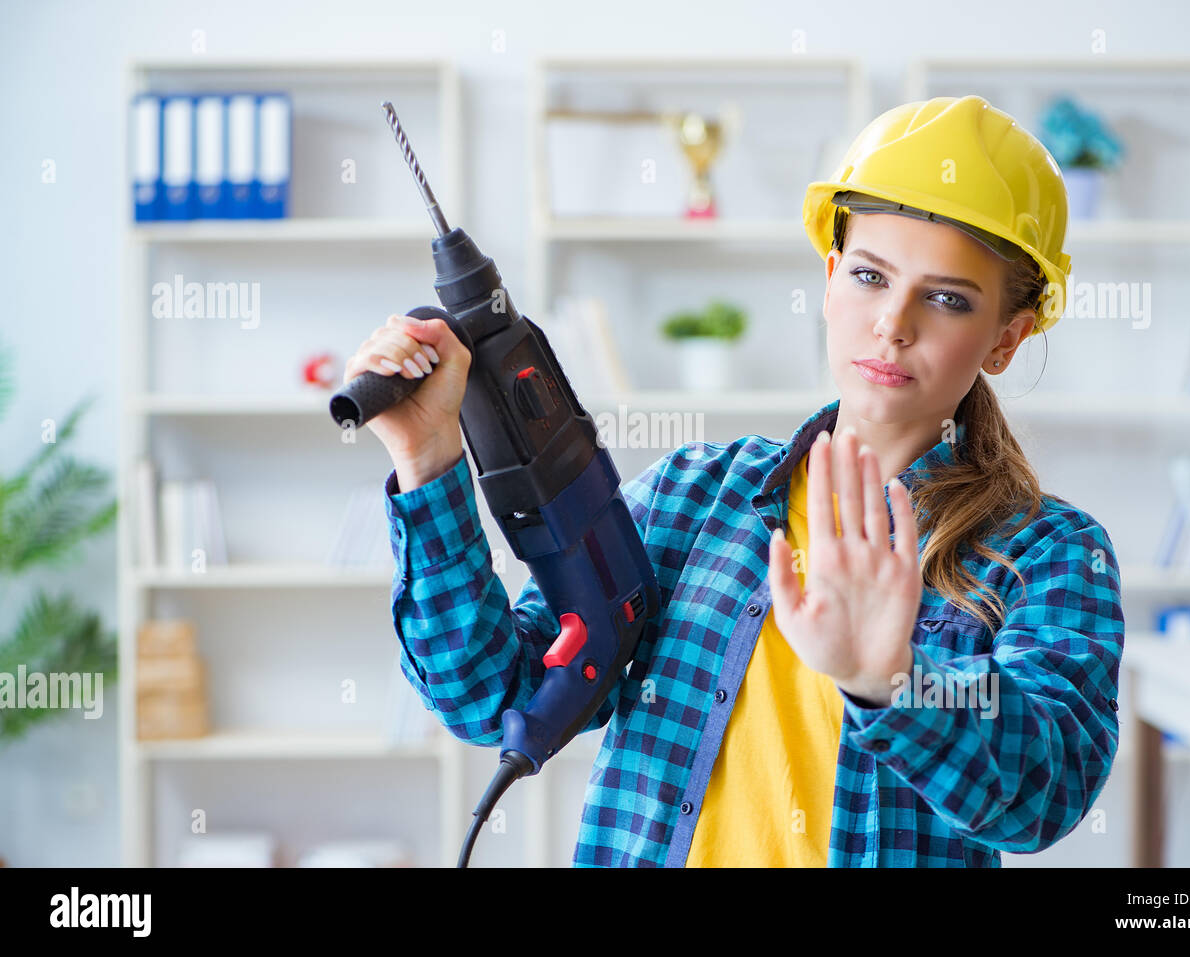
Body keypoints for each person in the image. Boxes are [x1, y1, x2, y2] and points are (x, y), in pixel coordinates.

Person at [346, 94, 1125, 867]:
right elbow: (494, 690)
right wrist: (428, 461)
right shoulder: (692, 498)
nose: (894, 322)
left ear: (1006, 339)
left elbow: (1045, 789)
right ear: (828, 281)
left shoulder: (1049, 553)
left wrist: (891, 679)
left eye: (948, 297)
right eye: (869, 276)